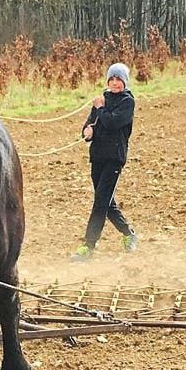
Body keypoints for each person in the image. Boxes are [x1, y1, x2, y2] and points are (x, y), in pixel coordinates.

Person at [72, 62, 138, 259]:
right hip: (98, 157)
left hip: (114, 158)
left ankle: (88, 247)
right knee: (106, 202)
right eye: (112, 79)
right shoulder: (103, 99)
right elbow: (92, 121)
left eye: (119, 79)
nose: (115, 83)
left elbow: (111, 123)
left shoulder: (127, 102)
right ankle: (128, 233)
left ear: (125, 82)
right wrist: (87, 131)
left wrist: (100, 109)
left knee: (100, 203)